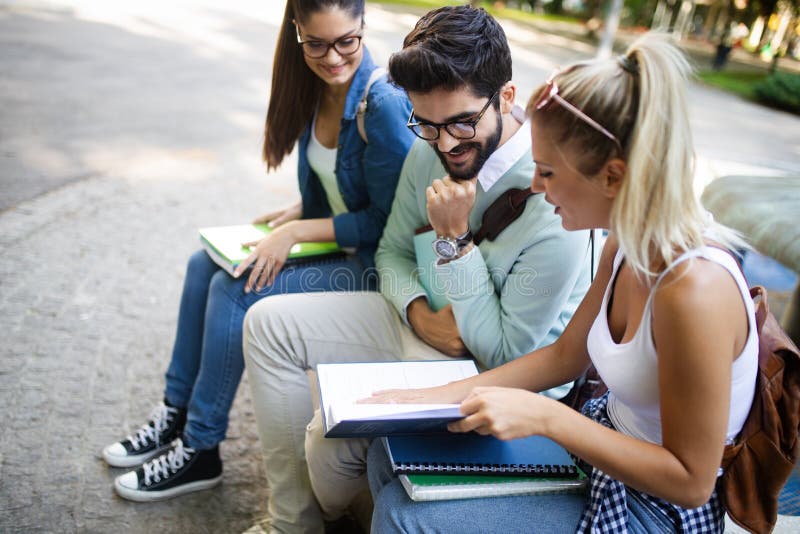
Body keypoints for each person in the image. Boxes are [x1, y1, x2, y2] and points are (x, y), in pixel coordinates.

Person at [365, 32, 758, 533]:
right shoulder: (624, 243)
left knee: (405, 516)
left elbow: (691, 481)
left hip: (653, 508)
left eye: (547, 171)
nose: (533, 185)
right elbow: (564, 357)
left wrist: (546, 419)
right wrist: (439, 395)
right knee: (389, 454)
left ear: (613, 177)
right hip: (599, 445)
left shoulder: (693, 292)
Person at [242, 6, 592, 532]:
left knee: (326, 442)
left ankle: (338, 509)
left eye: (461, 123)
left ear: (507, 97)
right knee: (267, 325)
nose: (445, 145)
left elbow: (505, 353)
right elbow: (392, 252)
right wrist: (415, 309)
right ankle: (292, 522)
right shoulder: (431, 143)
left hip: (493, 375)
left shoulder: (553, 192)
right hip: (421, 321)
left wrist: (453, 240)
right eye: (426, 124)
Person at [101, 0, 416, 502]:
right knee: (203, 264)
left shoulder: (381, 103)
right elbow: (345, 183)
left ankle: (201, 449)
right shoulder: (315, 88)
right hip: (342, 249)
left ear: (363, 27)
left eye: (346, 41)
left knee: (236, 289)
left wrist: (296, 234)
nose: (333, 57)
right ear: (296, 33)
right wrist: (297, 213)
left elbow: (389, 223)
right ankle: (174, 416)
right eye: (316, 44)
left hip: (373, 269)